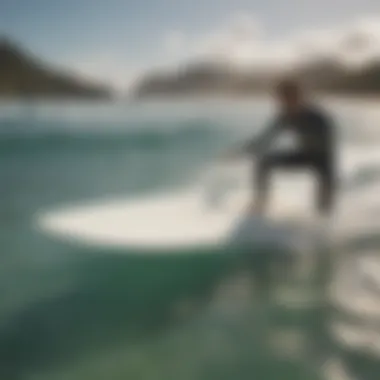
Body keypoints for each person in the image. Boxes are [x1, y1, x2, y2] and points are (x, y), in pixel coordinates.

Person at [226, 78, 336, 217]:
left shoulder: (317, 117)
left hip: (323, 159)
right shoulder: (285, 116)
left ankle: (324, 215)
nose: (284, 104)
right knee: (264, 162)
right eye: (281, 100)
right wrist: (239, 151)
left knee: (324, 206)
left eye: (288, 99)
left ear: (299, 97)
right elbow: (264, 140)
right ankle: (260, 203)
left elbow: (326, 144)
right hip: (304, 154)